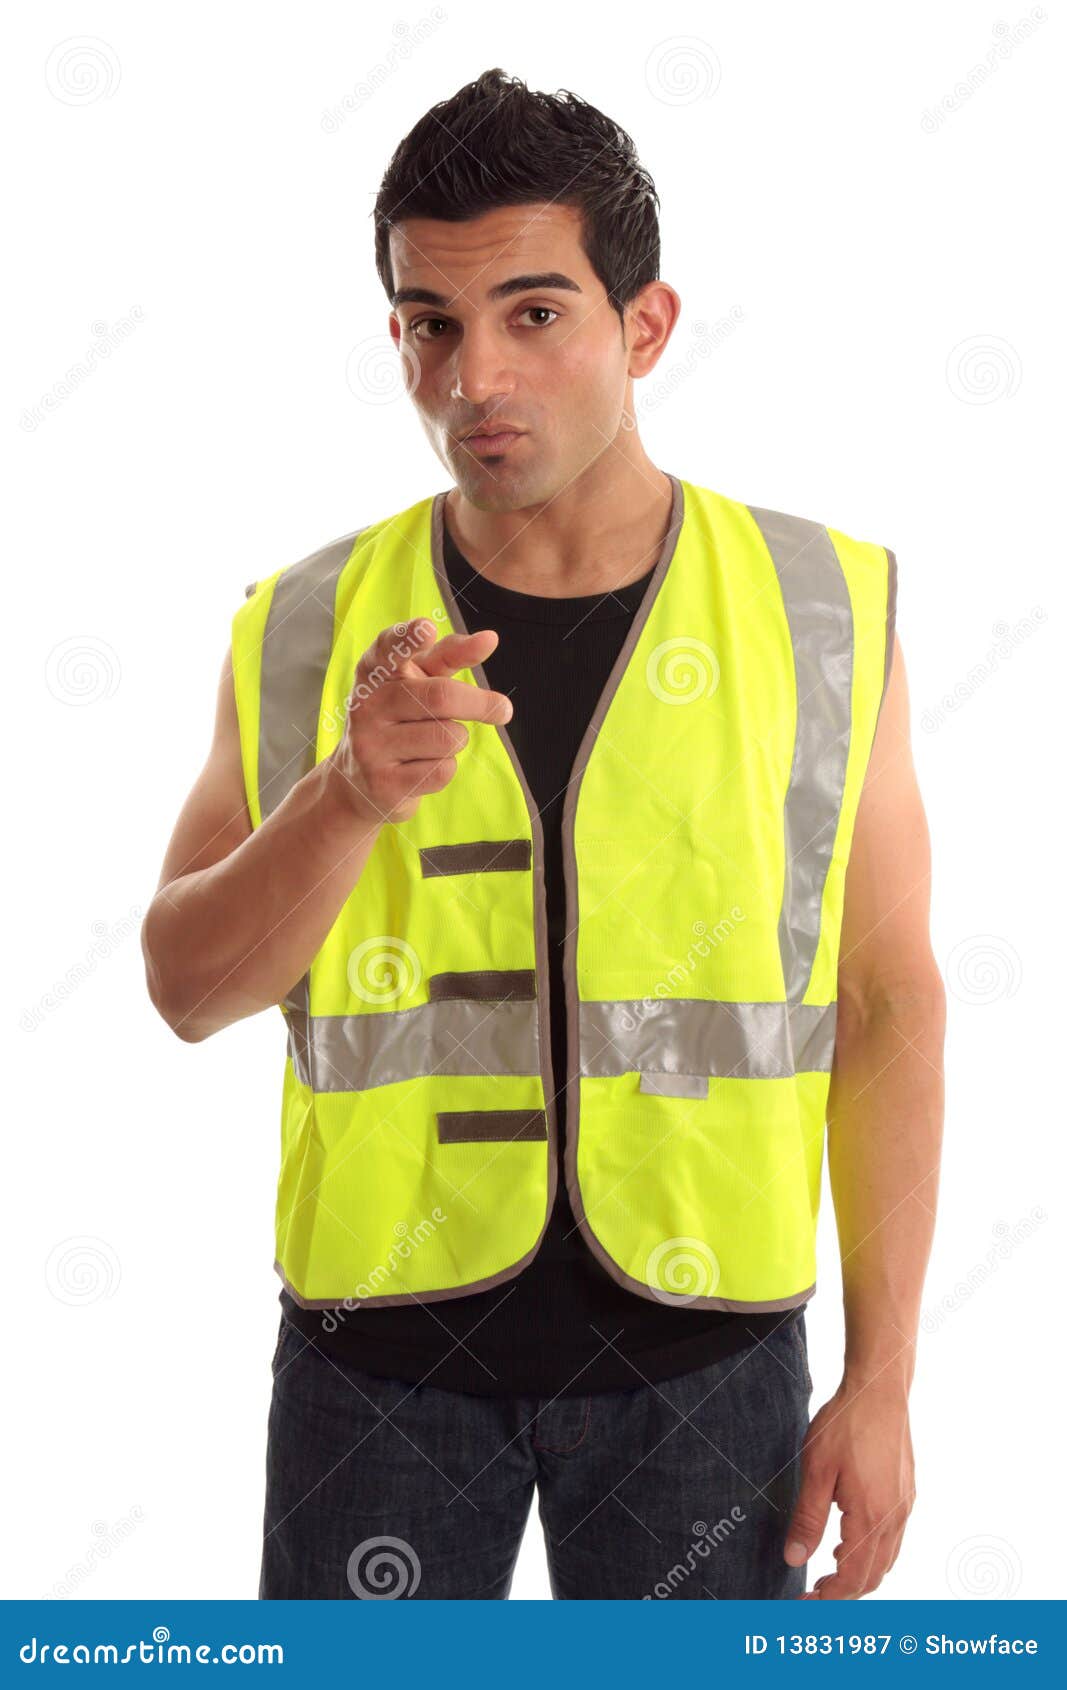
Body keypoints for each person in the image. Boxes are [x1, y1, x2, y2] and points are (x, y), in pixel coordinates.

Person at [142, 69, 945, 1601]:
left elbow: (891, 999)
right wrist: (345, 796)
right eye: (431, 325)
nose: (474, 382)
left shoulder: (819, 609)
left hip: (708, 1370)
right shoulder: (304, 624)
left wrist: (886, 1372)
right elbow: (186, 988)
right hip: (374, 1368)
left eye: (534, 314)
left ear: (643, 327)